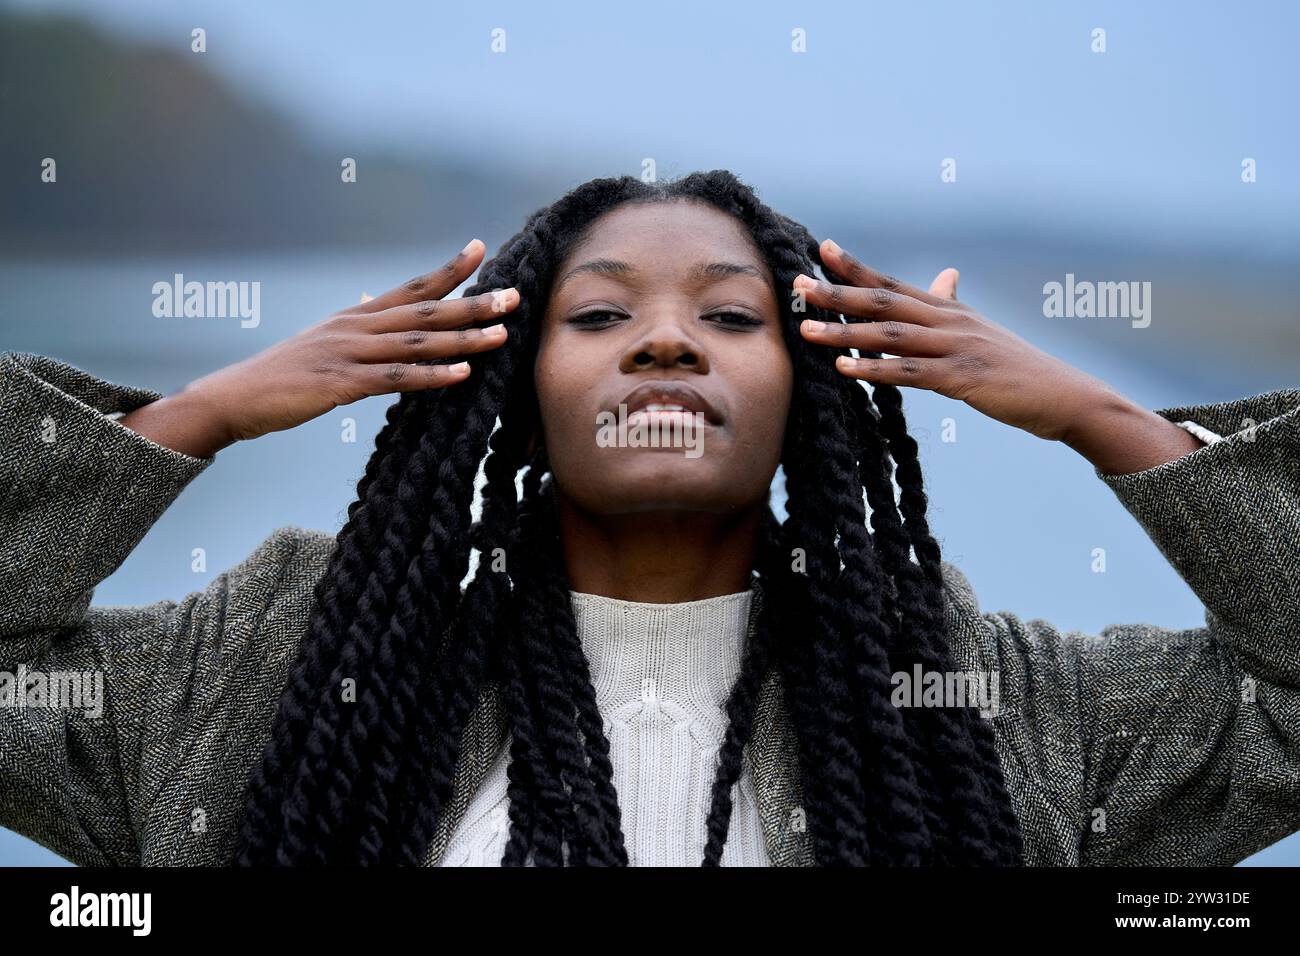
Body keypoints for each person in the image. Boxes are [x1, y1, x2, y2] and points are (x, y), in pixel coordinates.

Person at [2, 170, 1297, 867]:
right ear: (510, 381)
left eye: (732, 318)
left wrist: (1104, 421)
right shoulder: (286, 656)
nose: (668, 341)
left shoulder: (968, 695)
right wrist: (203, 414)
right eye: (601, 314)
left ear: (816, 391)